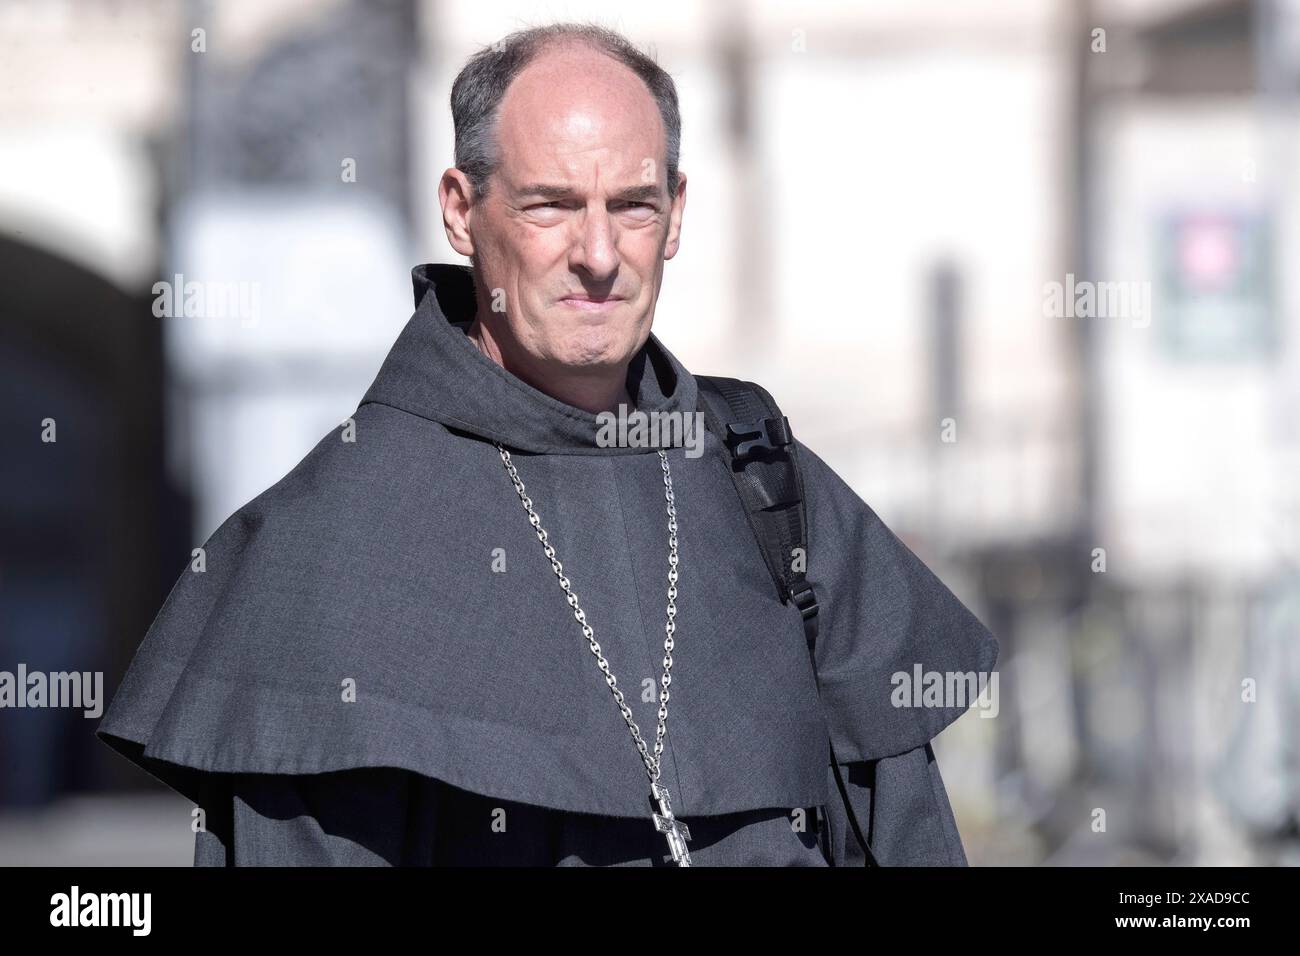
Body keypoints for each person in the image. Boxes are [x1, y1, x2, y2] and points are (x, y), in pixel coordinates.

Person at [96, 21, 997, 867]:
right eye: (552, 206)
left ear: (677, 213)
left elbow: (906, 834)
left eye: (633, 205)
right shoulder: (323, 549)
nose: (598, 254)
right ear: (461, 210)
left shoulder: (772, 488)